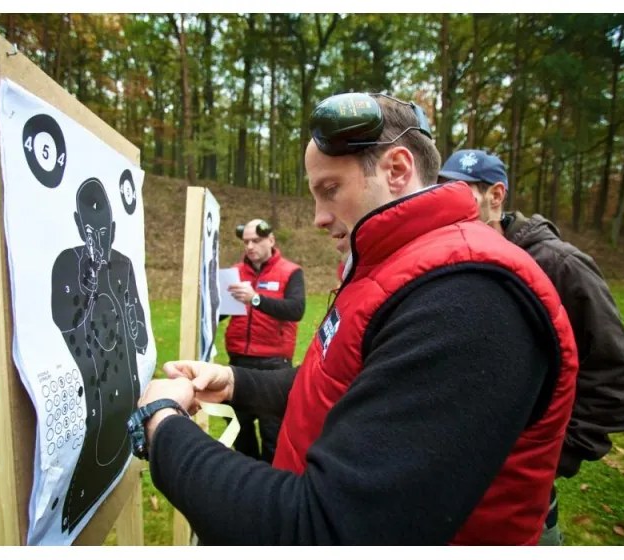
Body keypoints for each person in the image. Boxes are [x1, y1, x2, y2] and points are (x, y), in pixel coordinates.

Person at [130, 92, 579, 544]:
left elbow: (327, 531)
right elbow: (340, 381)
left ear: (397, 171)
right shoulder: (397, 268)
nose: (319, 218)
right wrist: (235, 383)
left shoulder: (467, 296)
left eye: (330, 190)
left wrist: (162, 425)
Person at [438, 149, 624, 545]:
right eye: (444, 190)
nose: (452, 201)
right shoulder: (457, 255)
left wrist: (551, 457)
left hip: (521, 500)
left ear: (496, 195)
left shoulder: (561, 265)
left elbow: (619, 384)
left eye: (464, 191)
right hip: (454, 487)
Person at [51, 177, 148, 533]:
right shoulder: (68, 264)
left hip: (126, 417)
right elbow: (64, 320)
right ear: (78, 226)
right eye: (90, 230)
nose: (98, 240)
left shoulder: (122, 265)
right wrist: (85, 291)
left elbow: (140, 335)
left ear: (115, 228)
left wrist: (132, 319)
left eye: (104, 231)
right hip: (93, 420)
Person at [224, 218, 305, 463]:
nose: (250, 246)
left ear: (270, 240)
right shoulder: (235, 273)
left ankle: (273, 488)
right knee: (241, 431)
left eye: (256, 241)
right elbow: (222, 313)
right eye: (246, 241)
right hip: (238, 361)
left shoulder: (291, 272)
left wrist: (256, 299)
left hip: (274, 365)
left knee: (274, 435)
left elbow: (296, 309)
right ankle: (248, 485)